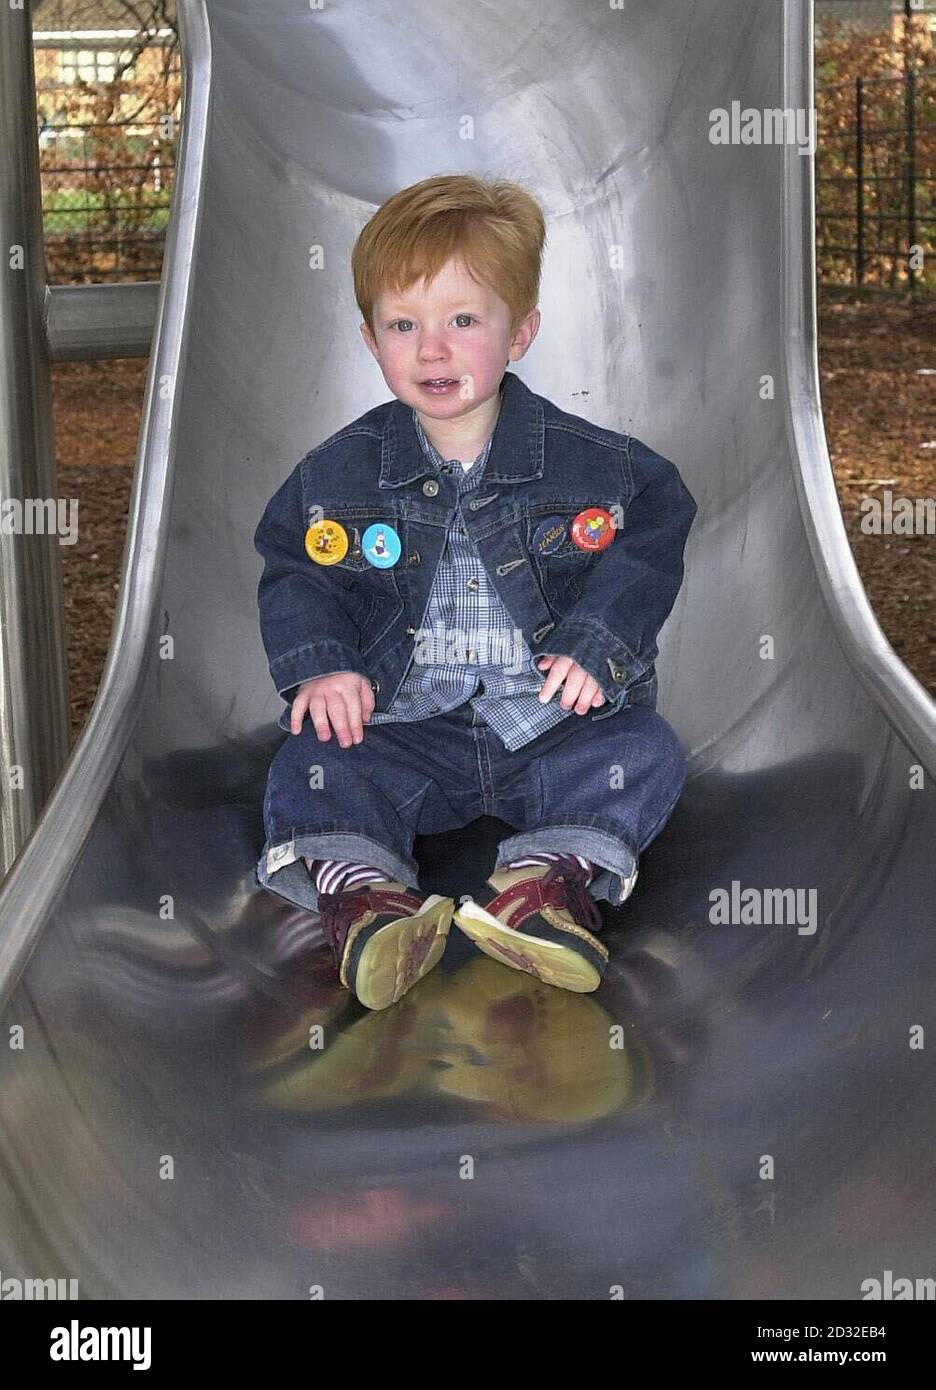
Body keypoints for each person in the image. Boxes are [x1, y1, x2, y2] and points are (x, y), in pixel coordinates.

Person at [253, 173, 697, 1011]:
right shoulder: (336, 473)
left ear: (519, 331)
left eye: (464, 320)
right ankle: (368, 897)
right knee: (308, 763)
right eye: (403, 325)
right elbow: (293, 566)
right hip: (407, 727)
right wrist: (325, 667)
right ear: (368, 338)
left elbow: (655, 529)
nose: (433, 350)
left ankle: (539, 883)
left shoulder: (593, 464)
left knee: (645, 752)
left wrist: (599, 641)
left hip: (552, 725)